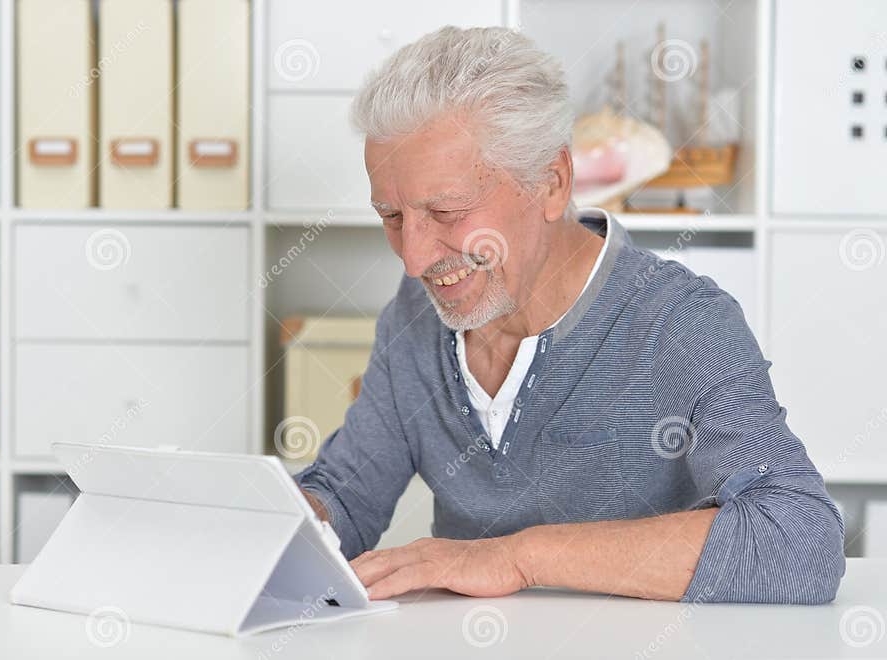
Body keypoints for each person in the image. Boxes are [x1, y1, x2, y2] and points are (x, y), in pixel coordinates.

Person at [295, 26, 844, 604]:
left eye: (447, 210)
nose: (413, 258)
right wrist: (262, 520)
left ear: (551, 183)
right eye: (391, 216)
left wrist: (516, 557)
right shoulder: (416, 316)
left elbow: (800, 540)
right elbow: (345, 498)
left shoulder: (681, 321)